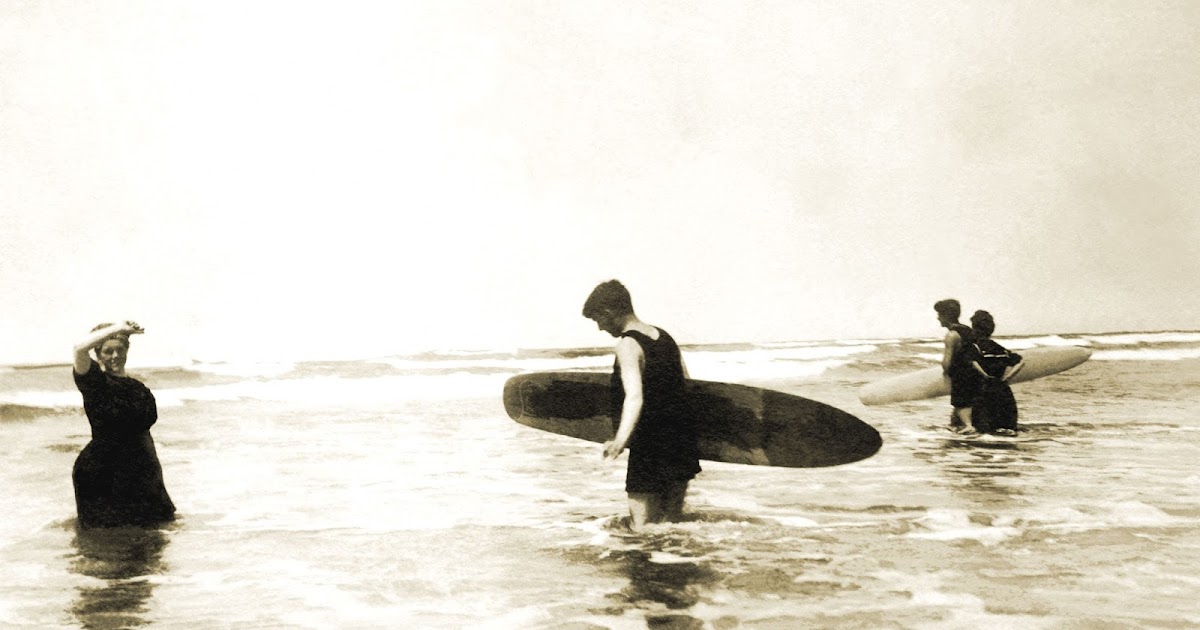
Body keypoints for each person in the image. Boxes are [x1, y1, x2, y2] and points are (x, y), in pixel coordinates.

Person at [582, 280, 700, 531]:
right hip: (681, 441)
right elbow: (688, 385)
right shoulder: (666, 338)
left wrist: (619, 440)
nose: (600, 328)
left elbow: (634, 396)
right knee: (672, 523)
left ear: (608, 312)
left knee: (642, 527)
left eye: (598, 320)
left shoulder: (627, 345)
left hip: (651, 444)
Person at [71, 321, 176, 528]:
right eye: (107, 351)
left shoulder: (138, 387)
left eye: (120, 349)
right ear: (98, 354)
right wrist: (118, 328)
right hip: (104, 473)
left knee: (156, 534)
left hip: (142, 469)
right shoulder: (94, 382)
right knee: (104, 539)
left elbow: (142, 432)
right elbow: (79, 349)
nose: (115, 356)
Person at [966, 310, 1025, 436]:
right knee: (1007, 428)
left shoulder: (975, 347)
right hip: (1003, 390)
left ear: (974, 328)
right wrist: (1008, 377)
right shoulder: (1000, 349)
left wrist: (985, 375)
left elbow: (973, 362)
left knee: (984, 431)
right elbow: (1021, 362)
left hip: (984, 390)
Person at [934, 299, 981, 433]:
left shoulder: (951, 335)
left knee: (960, 403)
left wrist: (945, 372)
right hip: (975, 373)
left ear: (946, 316)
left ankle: (968, 426)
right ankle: (957, 426)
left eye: (939, 314)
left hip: (961, 374)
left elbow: (947, 362)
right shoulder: (969, 331)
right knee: (963, 406)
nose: (938, 318)